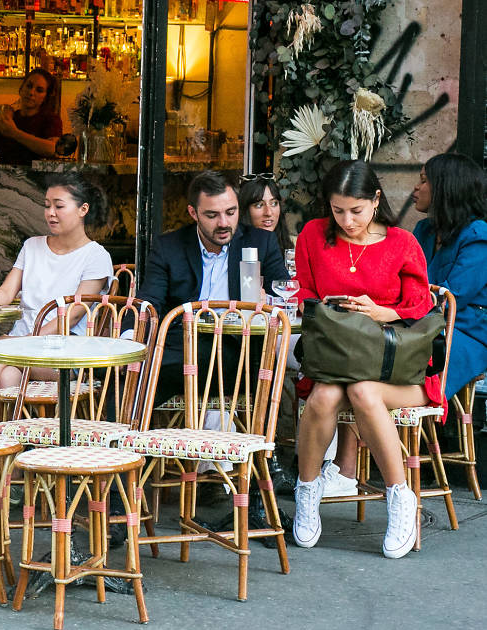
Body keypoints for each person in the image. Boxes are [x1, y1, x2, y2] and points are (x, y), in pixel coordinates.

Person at [291, 160, 441, 560]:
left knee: (363, 391)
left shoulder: (401, 243)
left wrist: (380, 312)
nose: (346, 220)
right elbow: (302, 291)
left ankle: (400, 498)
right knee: (323, 397)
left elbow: (421, 303)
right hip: (338, 357)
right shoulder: (312, 235)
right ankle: (307, 490)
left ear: (376, 199)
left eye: (356, 210)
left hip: (394, 366)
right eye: (337, 210)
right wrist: (323, 305)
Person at [0, 174, 112, 450]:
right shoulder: (32, 246)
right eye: (47, 205)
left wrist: (25, 342)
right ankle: (11, 464)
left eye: (59, 206)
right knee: (7, 374)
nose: (50, 213)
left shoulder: (96, 257)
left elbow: (70, 316)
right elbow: (5, 294)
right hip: (20, 351)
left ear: (83, 209)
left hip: (64, 356)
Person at [139, 170, 288, 404]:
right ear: (193, 213)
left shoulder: (260, 242)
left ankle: (123, 430)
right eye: (212, 215)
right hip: (180, 346)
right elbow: (148, 302)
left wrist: (265, 299)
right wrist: (130, 342)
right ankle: (120, 436)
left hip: (237, 352)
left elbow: (283, 294)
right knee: (132, 372)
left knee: (149, 368)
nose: (224, 223)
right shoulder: (169, 246)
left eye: (231, 212)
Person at [411, 152, 487, 405]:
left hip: (465, 333)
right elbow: (406, 279)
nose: (416, 187)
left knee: (402, 361)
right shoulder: (424, 230)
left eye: (424, 180)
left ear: (445, 187)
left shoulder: (478, 235)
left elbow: (454, 295)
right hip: (421, 326)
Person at [0, 68, 65, 163]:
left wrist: (14, 133)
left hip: (37, 179)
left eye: (39, 90)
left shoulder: (50, 119)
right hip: (5, 178)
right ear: (21, 89)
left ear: (46, 97)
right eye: (29, 86)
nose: (31, 92)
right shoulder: (10, 118)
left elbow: (53, 149)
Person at [238, 173, 293, 253]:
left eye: (274, 203)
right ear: (245, 210)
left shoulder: (291, 247)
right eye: (259, 205)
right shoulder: (232, 250)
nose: (268, 212)